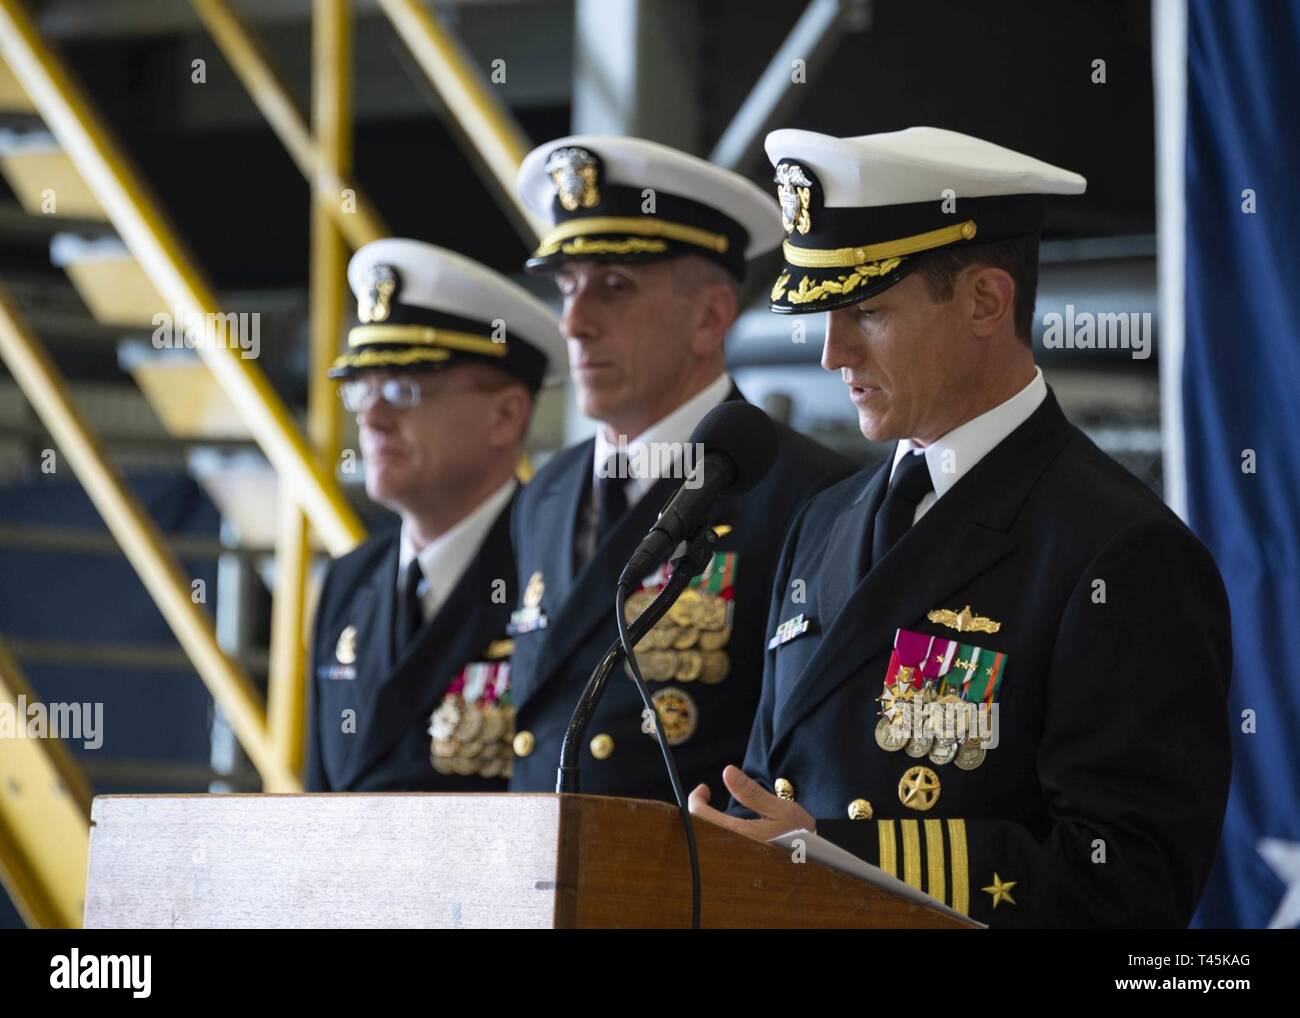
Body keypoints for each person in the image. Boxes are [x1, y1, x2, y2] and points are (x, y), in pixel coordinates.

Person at [688, 127, 1232, 928]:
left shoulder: (1120, 549)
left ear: (985, 301)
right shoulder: (824, 519)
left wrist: (838, 855)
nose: (833, 351)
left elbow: (1130, 885)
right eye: (827, 311)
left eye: (867, 309)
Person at [505, 136, 856, 803]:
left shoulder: (806, 493)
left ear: (709, 317)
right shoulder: (545, 494)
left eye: (613, 288)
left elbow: (795, 763)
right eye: (568, 288)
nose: (574, 323)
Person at [306, 238, 564, 792]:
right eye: (362, 389)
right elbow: (315, 807)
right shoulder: (350, 582)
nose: (371, 419)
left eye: (404, 388)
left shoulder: (559, 569)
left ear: (505, 415)